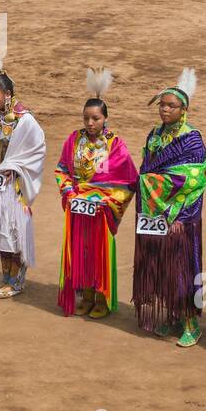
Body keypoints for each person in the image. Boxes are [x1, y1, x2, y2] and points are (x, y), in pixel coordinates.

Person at [55, 68, 138, 318]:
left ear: (105, 118)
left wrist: (106, 200)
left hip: (101, 209)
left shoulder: (115, 144)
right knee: (80, 250)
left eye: (96, 119)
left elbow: (128, 180)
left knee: (99, 252)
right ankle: (86, 294)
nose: (90, 123)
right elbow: (62, 169)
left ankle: (102, 296)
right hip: (78, 205)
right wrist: (69, 192)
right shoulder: (74, 139)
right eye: (86, 118)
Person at [135, 68, 206, 347]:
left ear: (184, 109)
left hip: (181, 216)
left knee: (182, 268)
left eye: (171, 106)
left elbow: (193, 179)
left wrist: (179, 215)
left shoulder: (192, 139)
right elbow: (145, 169)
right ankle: (173, 314)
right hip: (154, 215)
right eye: (162, 105)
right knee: (162, 266)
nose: (165, 110)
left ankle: (190, 322)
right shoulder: (154, 136)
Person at [0, 54, 47, 299]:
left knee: (11, 231)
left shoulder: (25, 121)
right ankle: (5, 278)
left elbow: (37, 150)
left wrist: (11, 167)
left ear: (7, 94)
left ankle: (17, 280)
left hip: (12, 187)